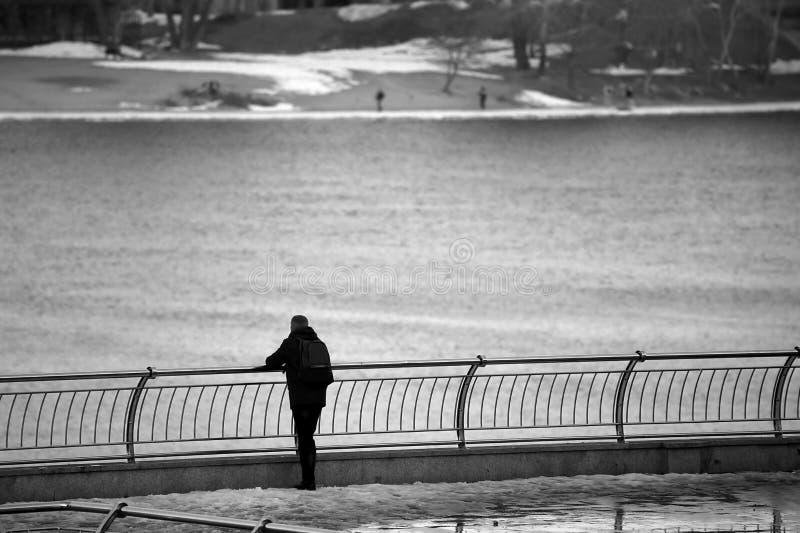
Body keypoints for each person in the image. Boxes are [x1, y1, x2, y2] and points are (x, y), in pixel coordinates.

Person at [262, 315, 328, 490]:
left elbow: (271, 361)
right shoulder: (318, 341)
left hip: (301, 399)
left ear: (292, 327)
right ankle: (309, 480)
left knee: (304, 438)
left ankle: (308, 481)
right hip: (318, 398)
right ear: (307, 326)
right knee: (309, 437)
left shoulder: (290, 342)